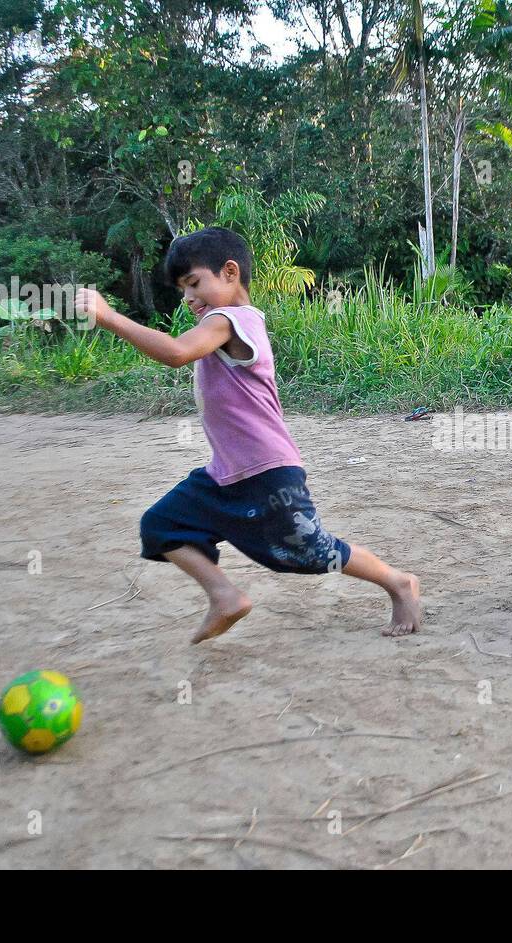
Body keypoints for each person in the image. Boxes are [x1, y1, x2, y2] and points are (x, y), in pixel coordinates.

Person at [73, 227, 420, 642]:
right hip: (226, 474)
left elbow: (176, 353)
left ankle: (399, 583)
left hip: (267, 470)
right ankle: (224, 596)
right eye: (183, 290)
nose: (188, 298)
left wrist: (109, 317)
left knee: (312, 553)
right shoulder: (225, 321)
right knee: (161, 525)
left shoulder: (229, 319)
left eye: (194, 283)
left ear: (230, 272)